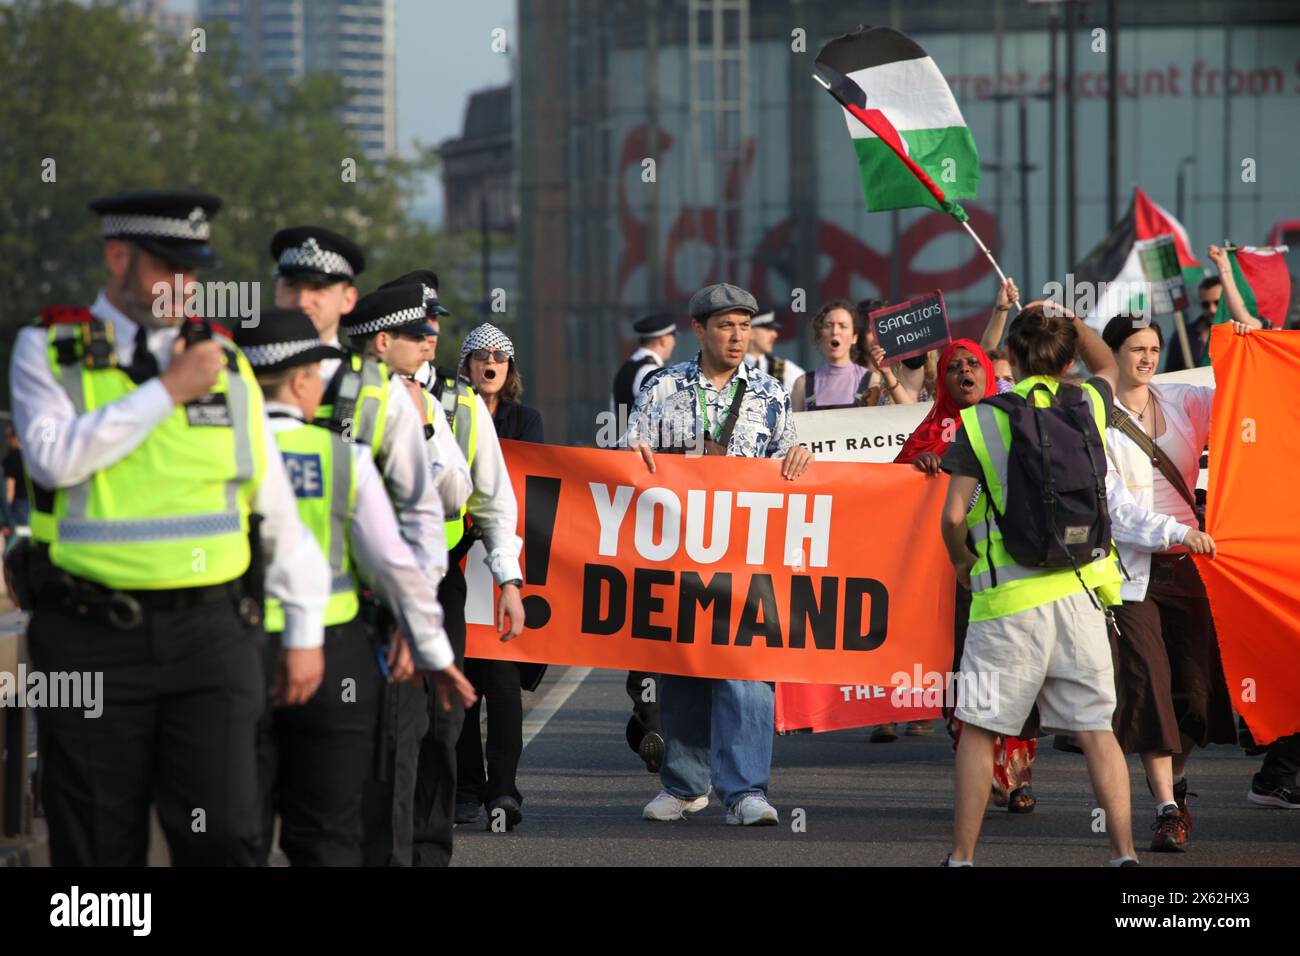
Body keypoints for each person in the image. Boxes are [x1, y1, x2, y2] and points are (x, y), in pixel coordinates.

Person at [8, 190, 329, 866]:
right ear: (117, 257)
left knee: (227, 840)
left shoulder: (227, 365)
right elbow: (54, 458)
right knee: (96, 851)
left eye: (193, 273)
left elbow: (274, 510)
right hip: (89, 637)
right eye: (166, 271)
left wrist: (303, 633)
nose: (183, 290)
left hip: (211, 639)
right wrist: (169, 391)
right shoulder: (48, 349)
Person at [238, 309, 476, 866]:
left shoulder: (216, 453)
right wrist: (434, 651)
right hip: (335, 649)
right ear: (301, 381)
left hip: (232, 650)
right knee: (330, 831)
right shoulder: (338, 456)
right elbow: (396, 560)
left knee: (235, 825)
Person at [938, 303, 1136, 866]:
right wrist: (1073, 322)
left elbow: (954, 517)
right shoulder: (1088, 404)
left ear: (1011, 359)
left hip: (1005, 604)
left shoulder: (981, 420)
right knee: (1099, 731)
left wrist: (961, 566)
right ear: (1067, 356)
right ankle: (1125, 856)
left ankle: (962, 858)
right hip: (1080, 595)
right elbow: (1109, 366)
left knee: (979, 730)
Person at [628, 282, 813, 826]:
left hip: (749, 555)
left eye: (744, 325)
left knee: (747, 668)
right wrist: (630, 453)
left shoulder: (771, 394)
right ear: (699, 330)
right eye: (726, 326)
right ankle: (684, 785)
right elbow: (629, 456)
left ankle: (746, 792)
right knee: (683, 665)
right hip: (679, 551)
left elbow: (787, 458)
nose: (737, 336)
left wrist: (800, 454)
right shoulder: (662, 388)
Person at [1089, 312, 1249, 852]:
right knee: (1148, 686)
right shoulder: (1096, 417)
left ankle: (1176, 783)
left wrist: (1248, 334)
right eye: (1136, 348)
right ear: (1113, 353)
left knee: (1197, 696)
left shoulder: (1183, 398)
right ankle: (1164, 808)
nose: (1147, 358)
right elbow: (1116, 509)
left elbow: (1241, 393)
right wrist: (1180, 529)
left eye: (1154, 348)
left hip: (1189, 567)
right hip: (1131, 572)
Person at [381, 287, 527, 861]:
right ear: (382, 337)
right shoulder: (343, 396)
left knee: (441, 721)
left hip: (440, 580)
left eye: (434, 329)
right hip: (364, 586)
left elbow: (489, 497)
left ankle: (426, 849)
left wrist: (509, 580)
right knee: (386, 726)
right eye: (419, 331)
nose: (431, 340)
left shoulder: (455, 403)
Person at [898, 337, 1039, 809]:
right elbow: (889, 493)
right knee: (961, 669)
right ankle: (983, 772)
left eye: (973, 364)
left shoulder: (1015, 420)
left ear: (988, 371)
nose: (964, 372)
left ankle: (1015, 774)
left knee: (1013, 666)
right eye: (954, 366)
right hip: (953, 576)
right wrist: (917, 467)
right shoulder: (928, 432)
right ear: (944, 380)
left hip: (1013, 569)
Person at [454, 323, 545, 828]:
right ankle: (465, 789)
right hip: (459, 559)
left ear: (509, 370)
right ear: (466, 365)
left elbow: (531, 483)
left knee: (504, 683)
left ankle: (504, 789)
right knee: (463, 682)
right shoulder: (449, 413)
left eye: (500, 357)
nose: (490, 363)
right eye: (480, 355)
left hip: (506, 563)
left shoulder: (525, 420)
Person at [610, 312, 677, 772]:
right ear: (667, 340)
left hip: (639, 503)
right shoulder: (651, 377)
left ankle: (645, 722)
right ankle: (652, 721)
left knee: (647, 615)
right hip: (654, 499)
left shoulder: (625, 369)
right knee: (658, 615)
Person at [790, 299, 873, 411]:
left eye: (843, 326)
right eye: (828, 325)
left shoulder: (872, 381)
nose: (835, 331)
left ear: (854, 337)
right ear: (820, 336)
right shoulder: (802, 384)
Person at [1162, 276, 1221, 373]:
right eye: (1205, 304)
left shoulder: (1239, 332)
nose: (1212, 309)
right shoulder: (1182, 337)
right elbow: (1170, 377)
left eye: (1217, 303)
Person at [746, 309, 804, 391]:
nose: (775, 335)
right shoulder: (732, 368)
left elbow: (811, 393)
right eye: (768, 329)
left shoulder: (781, 368)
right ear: (750, 332)